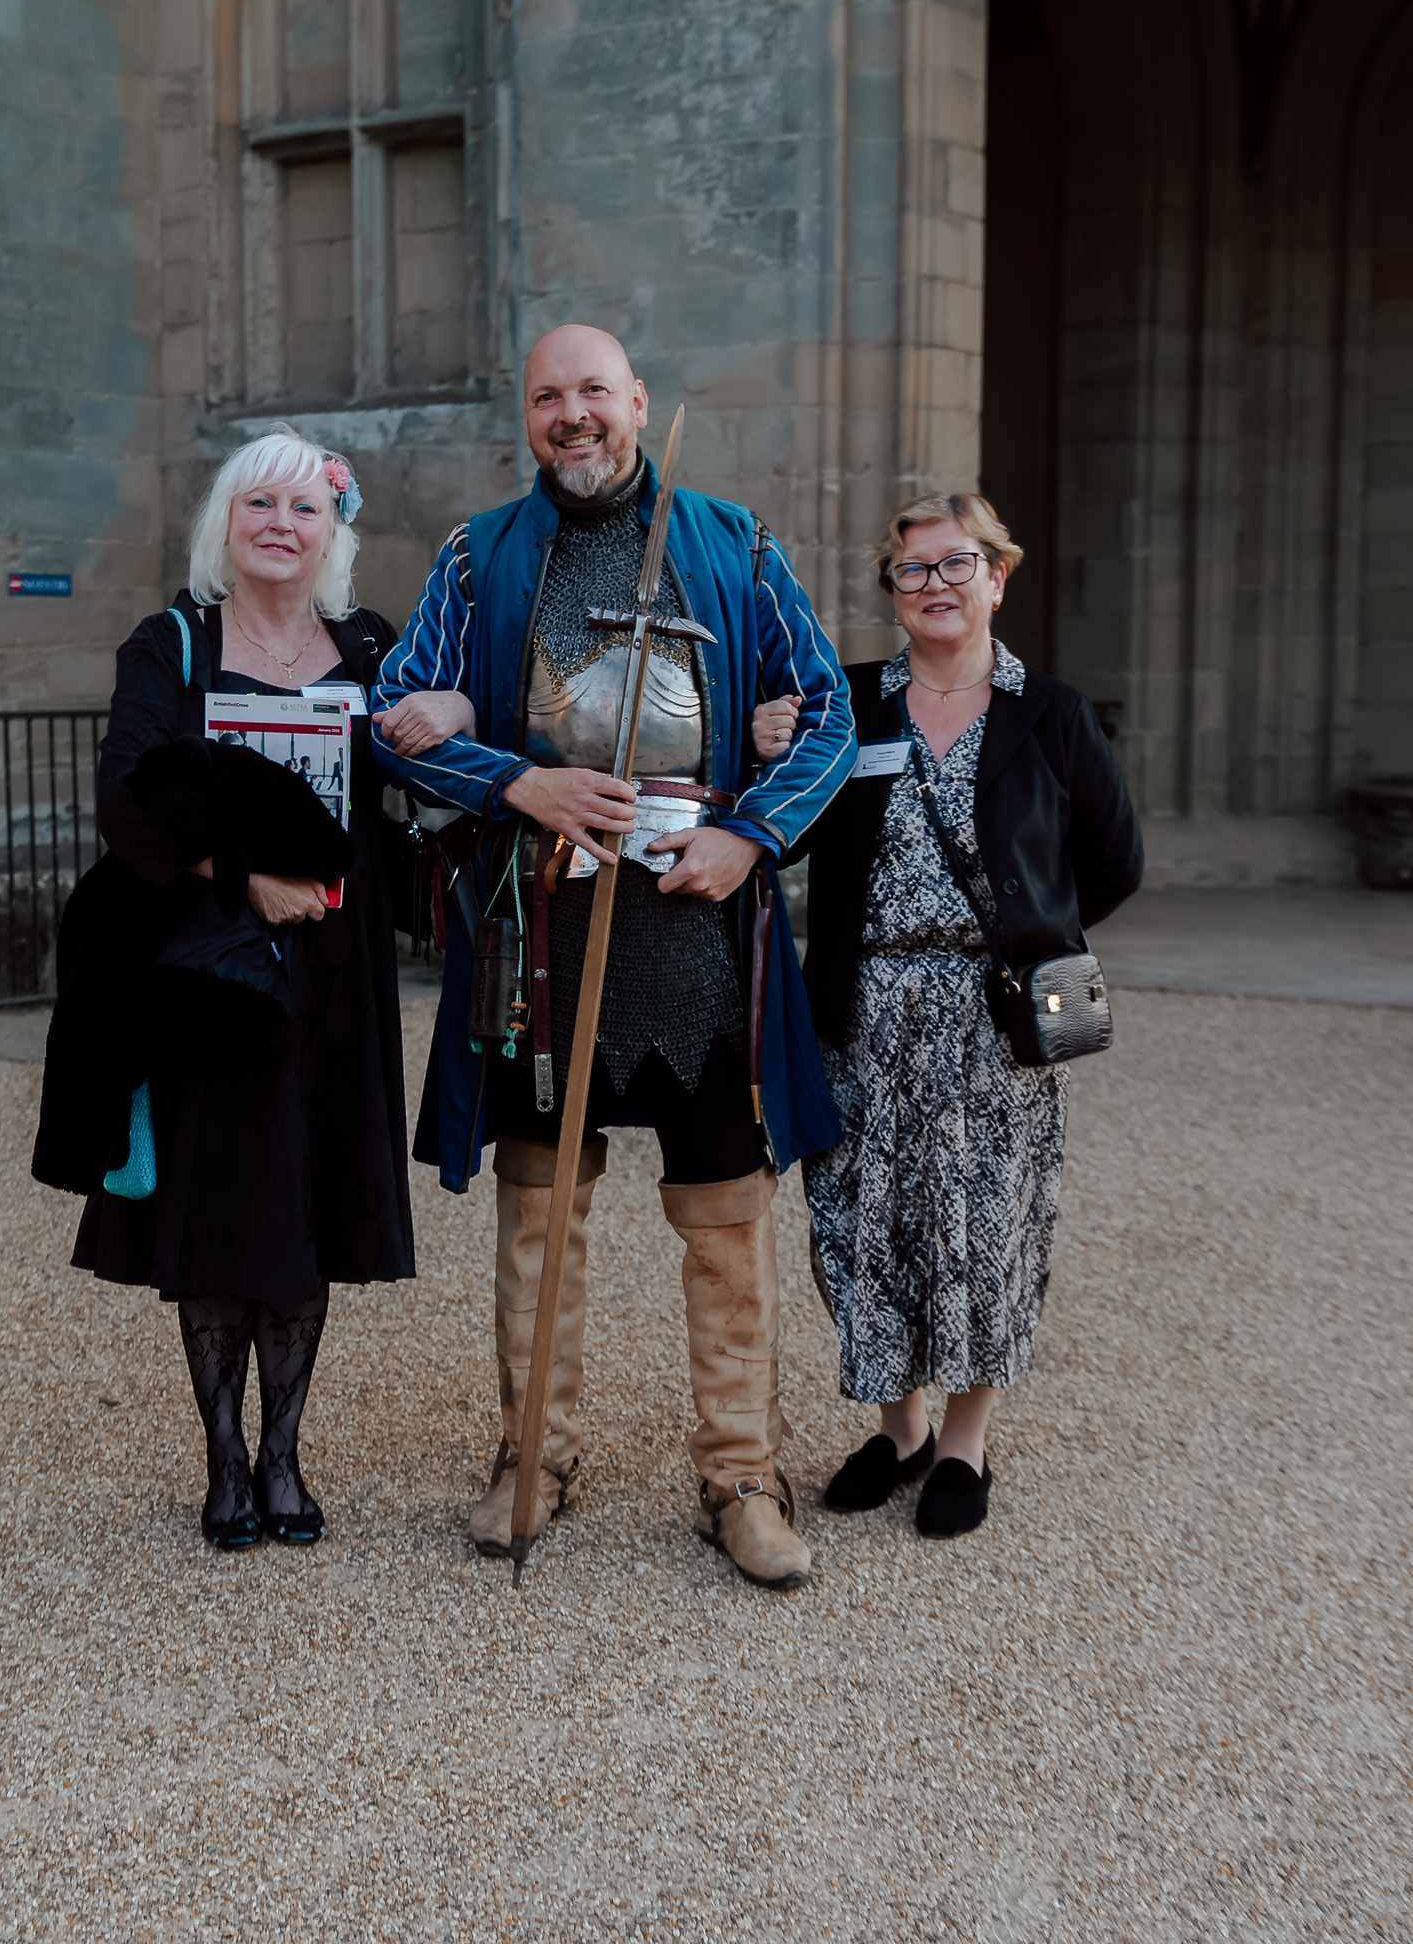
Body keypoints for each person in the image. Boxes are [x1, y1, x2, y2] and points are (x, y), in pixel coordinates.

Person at [370, 324, 855, 1590]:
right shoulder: (480, 558)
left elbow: (832, 716)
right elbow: (398, 720)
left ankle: (742, 1472)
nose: (573, 415)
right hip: (543, 935)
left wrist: (751, 837)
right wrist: (518, 777)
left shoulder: (736, 545)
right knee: (540, 1217)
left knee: (726, 1223)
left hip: (699, 935)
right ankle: (536, 1452)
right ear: (525, 415)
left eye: (595, 390)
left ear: (636, 401)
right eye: (548, 396)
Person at [66, 425, 474, 1550]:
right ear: (227, 524)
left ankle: (286, 1453)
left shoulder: (373, 644)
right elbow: (129, 798)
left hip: (337, 974)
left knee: (303, 1194)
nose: (282, 527)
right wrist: (245, 875)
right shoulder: (173, 644)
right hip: (211, 964)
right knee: (218, 1195)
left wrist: (467, 714)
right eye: (262, 507)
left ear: (331, 531)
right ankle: (224, 1461)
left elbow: (435, 752)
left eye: (306, 510)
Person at [764, 492, 1142, 1539]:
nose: (936, 583)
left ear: (998, 575)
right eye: (913, 569)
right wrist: (771, 746)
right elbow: (783, 837)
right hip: (861, 1007)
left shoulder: (1050, 712)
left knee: (985, 1223)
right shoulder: (844, 704)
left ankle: (966, 1442)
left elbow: (1115, 858)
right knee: (863, 1217)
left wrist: (1030, 937)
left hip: (994, 1018)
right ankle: (902, 1427)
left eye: (956, 563)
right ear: (891, 589)